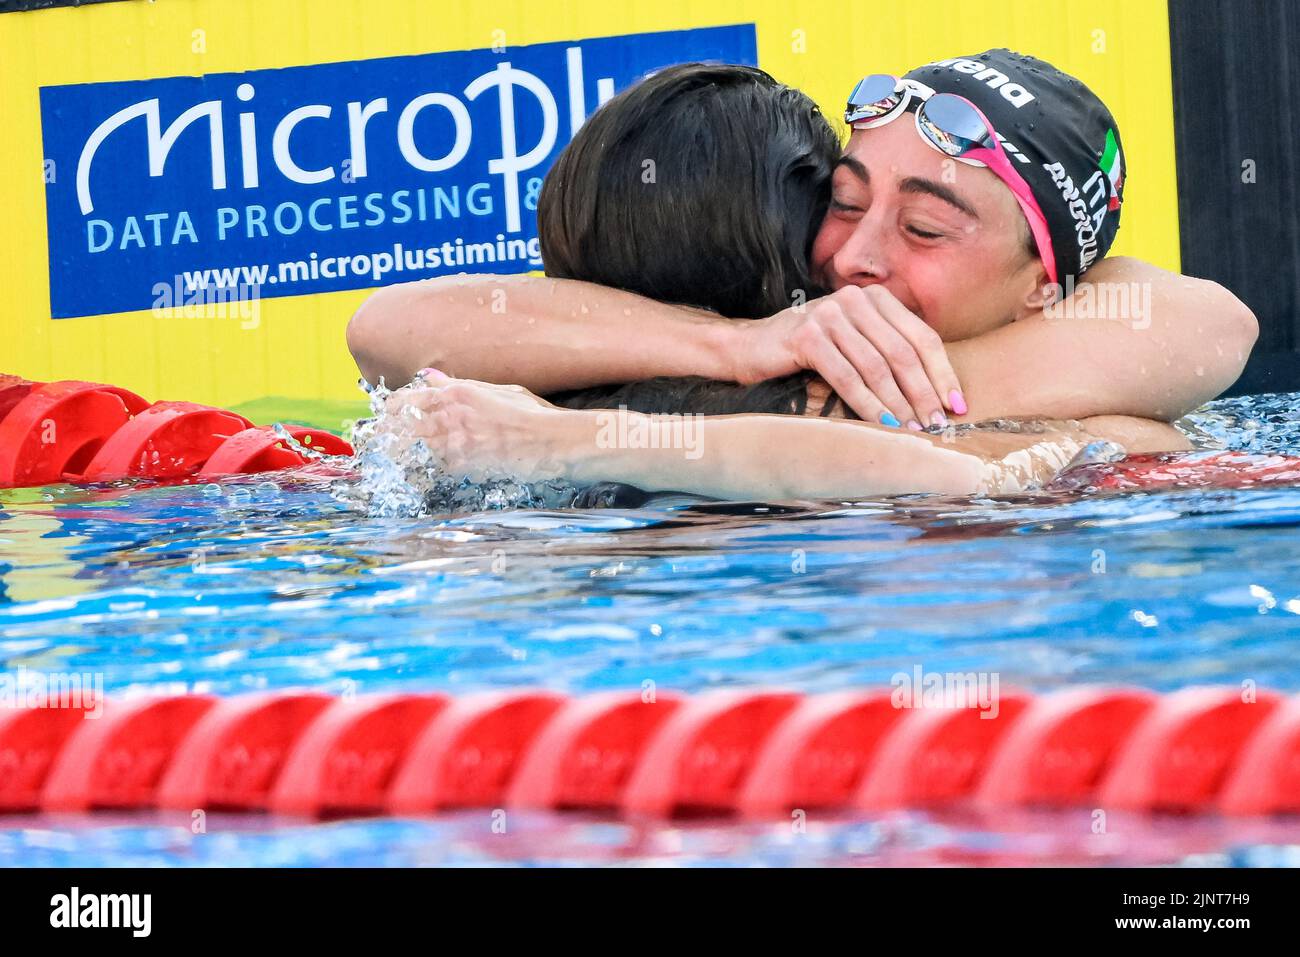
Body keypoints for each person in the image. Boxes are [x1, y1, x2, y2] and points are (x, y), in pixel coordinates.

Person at [368, 63, 1203, 501]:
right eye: (842, 204)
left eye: (922, 229)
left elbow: (1207, 324)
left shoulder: (512, 412)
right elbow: (383, 329)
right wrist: (742, 347)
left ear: (1045, 286)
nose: (854, 259)